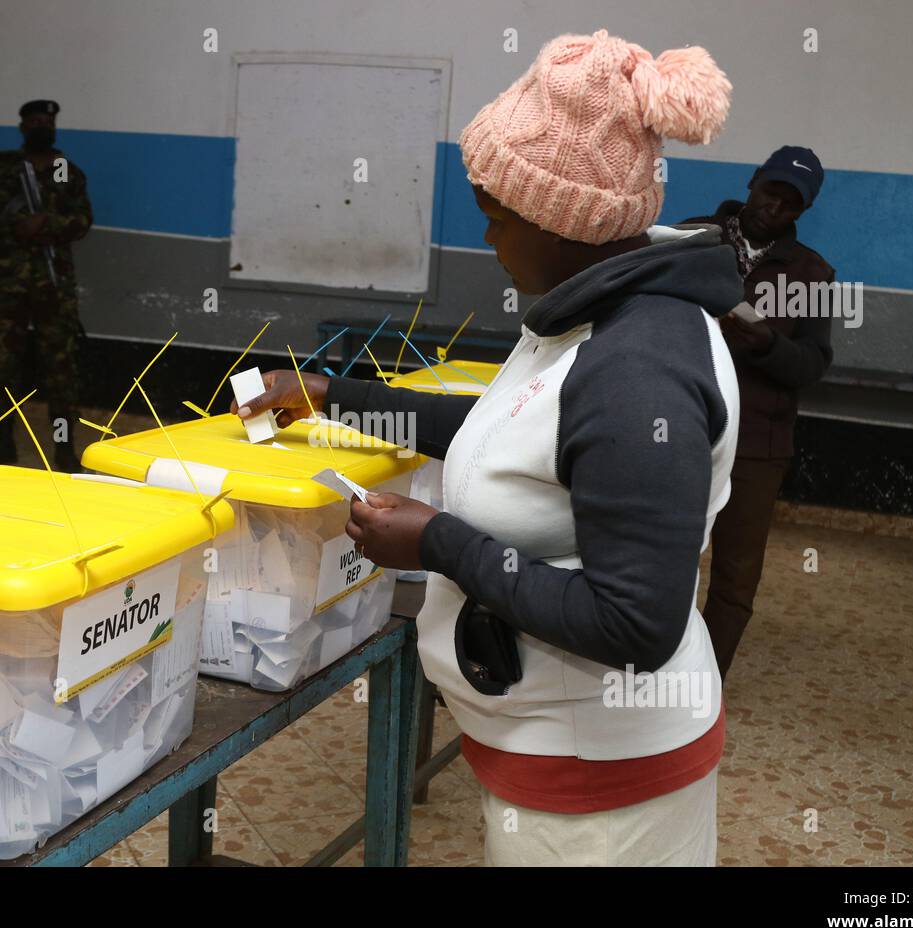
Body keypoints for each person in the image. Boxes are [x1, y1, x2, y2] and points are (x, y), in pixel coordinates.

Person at [235, 32, 742, 865]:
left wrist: (437, 542)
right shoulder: (599, 310)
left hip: (602, 782)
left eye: (497, 216)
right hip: (555, 749)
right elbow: (512, 431)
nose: (488, 238)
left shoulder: (637, 368)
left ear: (563, 220)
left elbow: (636, 622)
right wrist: (337, 400)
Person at [683, 147, 835, 681]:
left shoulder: (811, 273)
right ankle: (651, 666)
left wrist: (767, 343)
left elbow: (813, 364)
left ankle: (702, 686)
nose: (775, 207)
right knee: (662, 553)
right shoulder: (692, 239)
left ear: (803, 211)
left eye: (791, 203)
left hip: (756, 442)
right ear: (752, 181)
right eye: (771, 192)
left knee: (736, 576)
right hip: (679, 425)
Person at [0, 99, 94, 471]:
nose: (42, 126)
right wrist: (15, 225)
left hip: (53, 286)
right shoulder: (3, 166)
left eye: (48, 121)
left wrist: (47, 224)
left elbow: (83, 220)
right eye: (35, 121)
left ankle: (64, 451)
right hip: (6, 286)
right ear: (23, 126)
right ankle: (3, 445)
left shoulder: (66, 171)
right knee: (2, 367)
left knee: (61, 373)